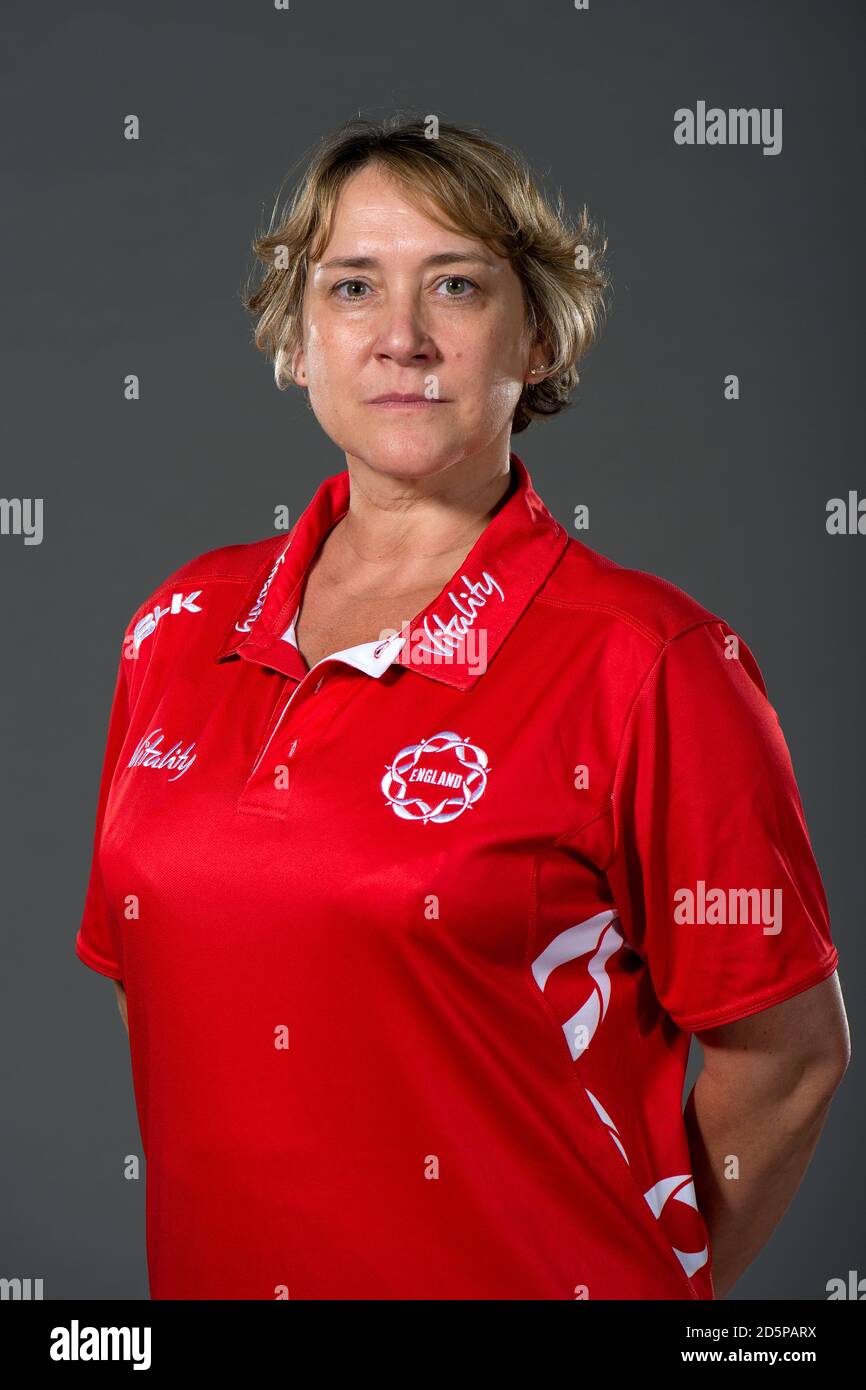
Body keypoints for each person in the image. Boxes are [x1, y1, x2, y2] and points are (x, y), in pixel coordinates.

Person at [75, 115, 849, 1301]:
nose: (401, 338)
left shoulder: (650, 661)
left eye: (454, 284)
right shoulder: (176, 627)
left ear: (535, 334)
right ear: (295, 341)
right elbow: (153, 980)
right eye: (349, 287)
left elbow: (785, 1060)